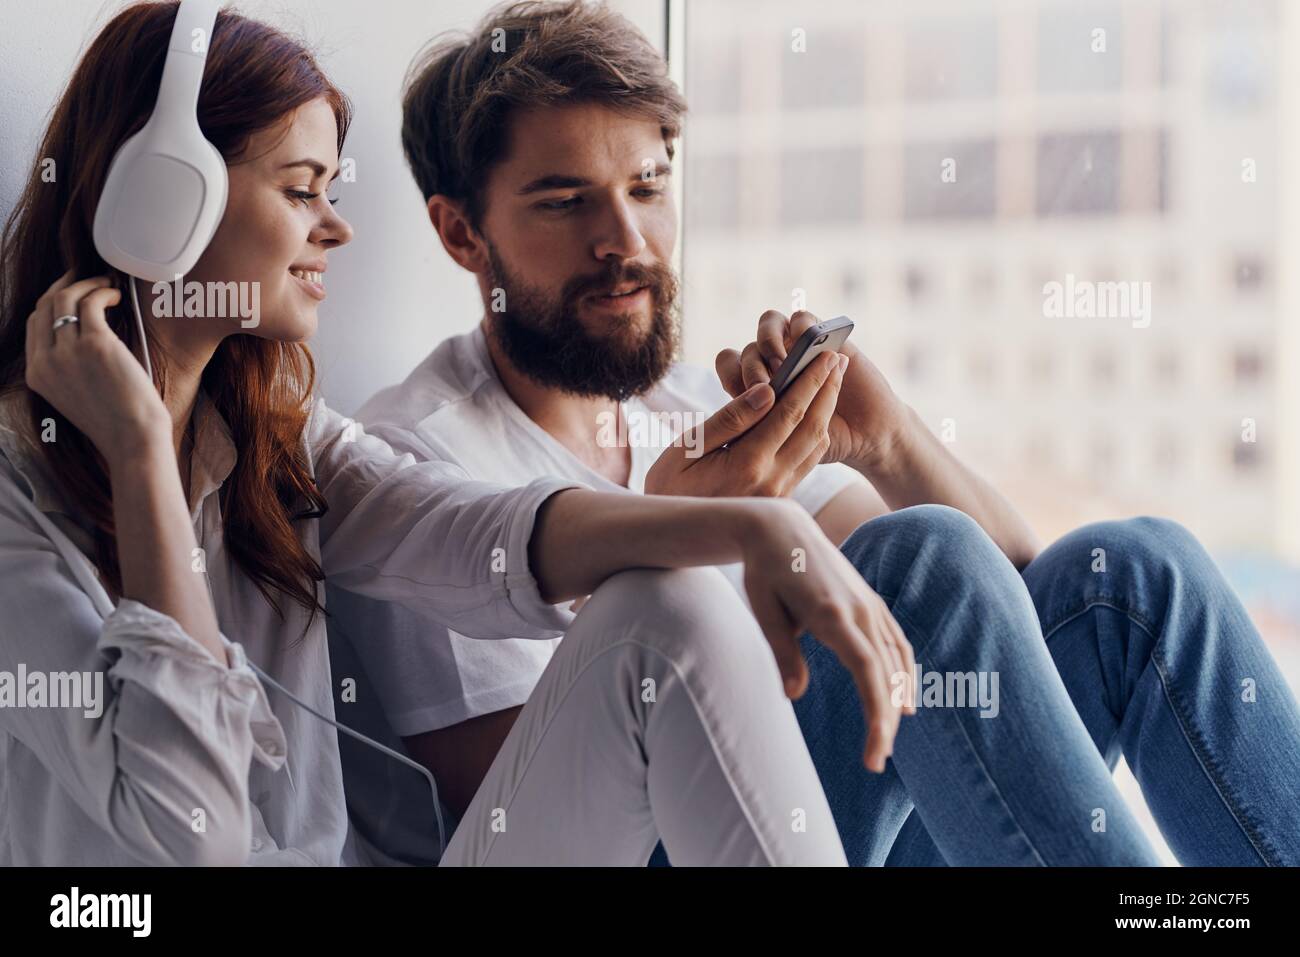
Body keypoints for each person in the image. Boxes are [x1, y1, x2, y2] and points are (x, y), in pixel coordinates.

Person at [329, 0, 1300, 867]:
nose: (624, 240)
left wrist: (888, 442)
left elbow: (1004, 623)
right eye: (565, 201)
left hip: (836, 824)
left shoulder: (681, 414)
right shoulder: (418, 465)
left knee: (1131, 579)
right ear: (462, 234)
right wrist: (663, 528)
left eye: (648, 186)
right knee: (915, 558)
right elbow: (531, 812)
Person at [0, 0, 922, 867]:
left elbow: (477, 532)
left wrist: (759, 526)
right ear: (161, 205)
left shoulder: (277, 441)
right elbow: (189, 828)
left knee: (668, 610)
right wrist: (138, 456)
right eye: (300, 190)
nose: (337, 227)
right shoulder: (14, 495)